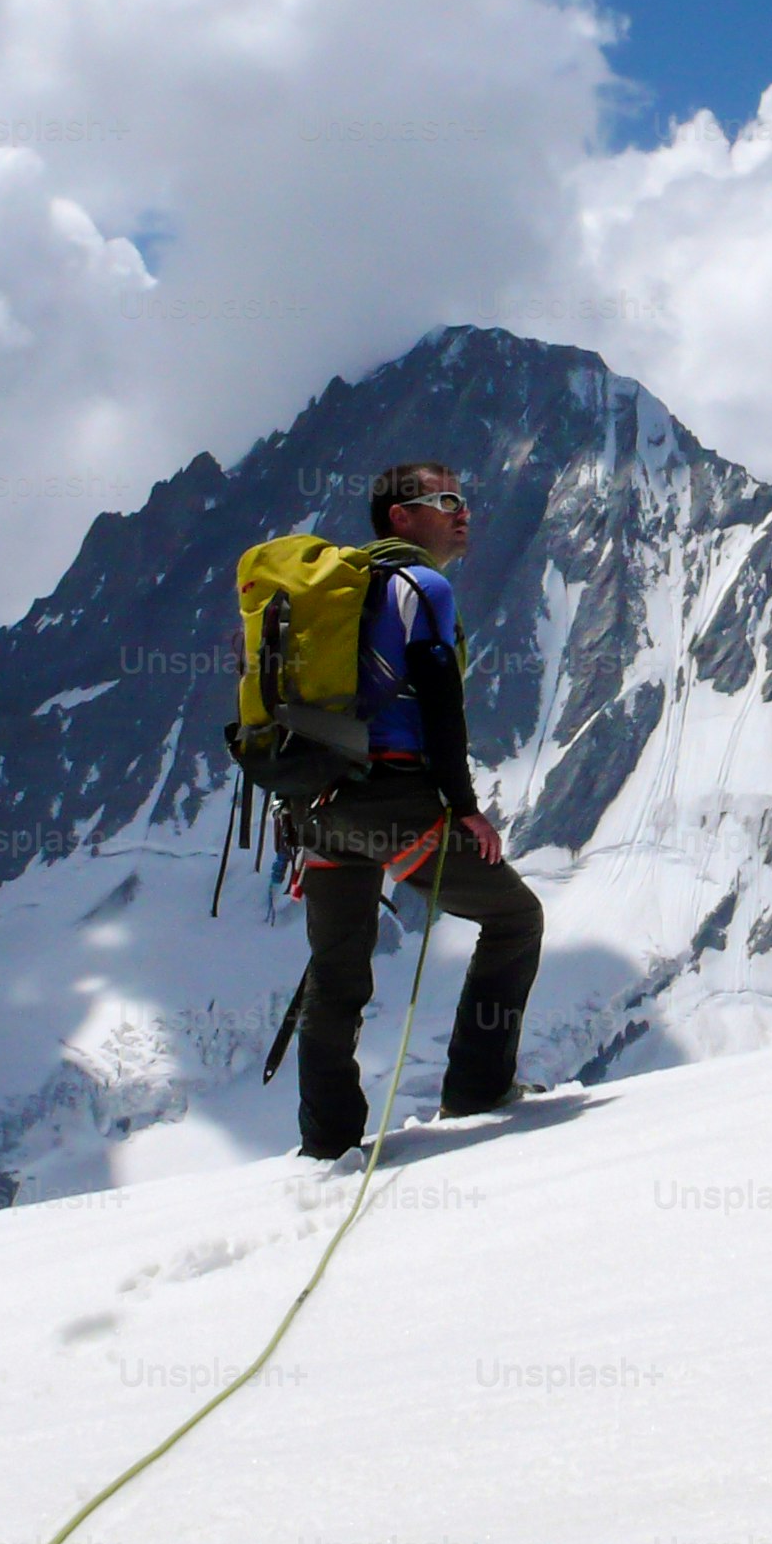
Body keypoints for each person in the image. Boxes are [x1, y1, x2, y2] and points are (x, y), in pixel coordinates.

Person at [286, 460, 543, 1159]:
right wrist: (465, 808)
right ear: (402, 517)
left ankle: (327, 1143)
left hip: (317, 806)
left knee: (336, 976)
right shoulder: (421, 585)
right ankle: (478, 1090)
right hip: (393, 799)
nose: (463, 513)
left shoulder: (332, 595)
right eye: (447, 500)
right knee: (515, 918)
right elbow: (439, 702)